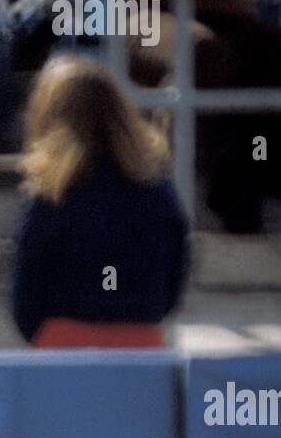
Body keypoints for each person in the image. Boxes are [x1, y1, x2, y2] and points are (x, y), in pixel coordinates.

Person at [87, 0, 281, 232]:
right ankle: (163, 201)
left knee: (264, 57)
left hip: (226, 15)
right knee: (202, 54)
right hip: (140, 14)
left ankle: (244, 198)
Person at [11, 55, 189, 346]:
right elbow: (172, 283)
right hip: (142, 343)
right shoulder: (159, 191)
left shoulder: (50, 195)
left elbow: (26, 297)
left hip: (62, 344)